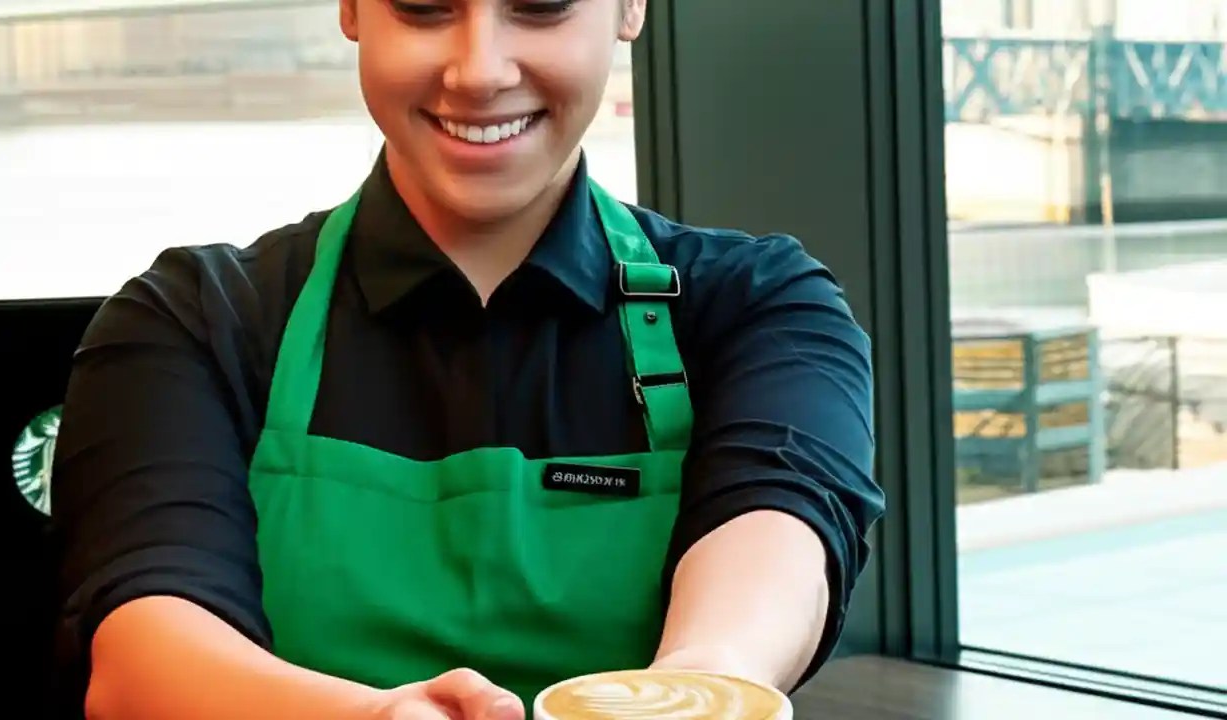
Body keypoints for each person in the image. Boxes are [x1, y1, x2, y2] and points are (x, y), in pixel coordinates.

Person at [50, 1, 885, 718]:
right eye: (422, 5)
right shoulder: (193, 320)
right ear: (351, 9)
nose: (479, 69)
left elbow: (780, 539)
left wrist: (703, 686)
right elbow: (139, 662)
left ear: (632, 6)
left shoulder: (761, 305)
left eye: (543, 4)